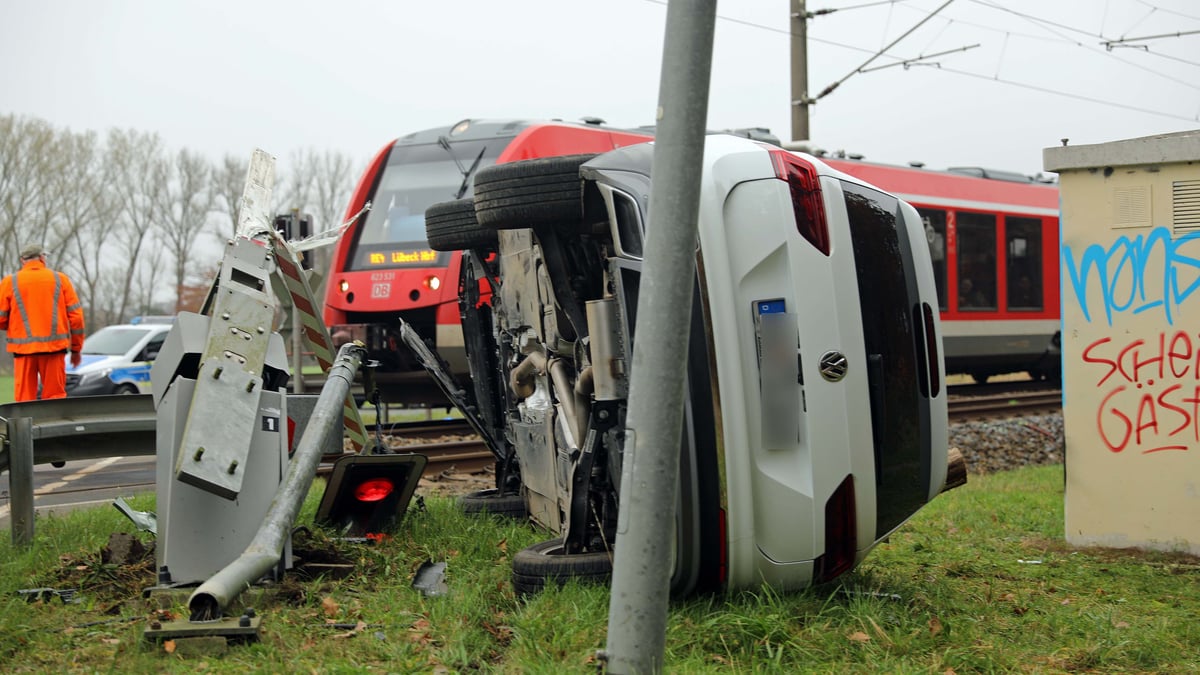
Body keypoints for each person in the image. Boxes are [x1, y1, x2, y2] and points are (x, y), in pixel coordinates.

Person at [0, 244, 85, 401]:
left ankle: (26, 426)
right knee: (55, 398)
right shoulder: (61, 279)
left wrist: (15, 325)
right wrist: (76, 349)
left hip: (23, 352)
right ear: (42, 258)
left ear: (22, 260)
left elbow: (1, 319)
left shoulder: (9, 283)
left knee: (24, 401)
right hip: (54, 350)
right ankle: (53, 425)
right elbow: (76, 318)